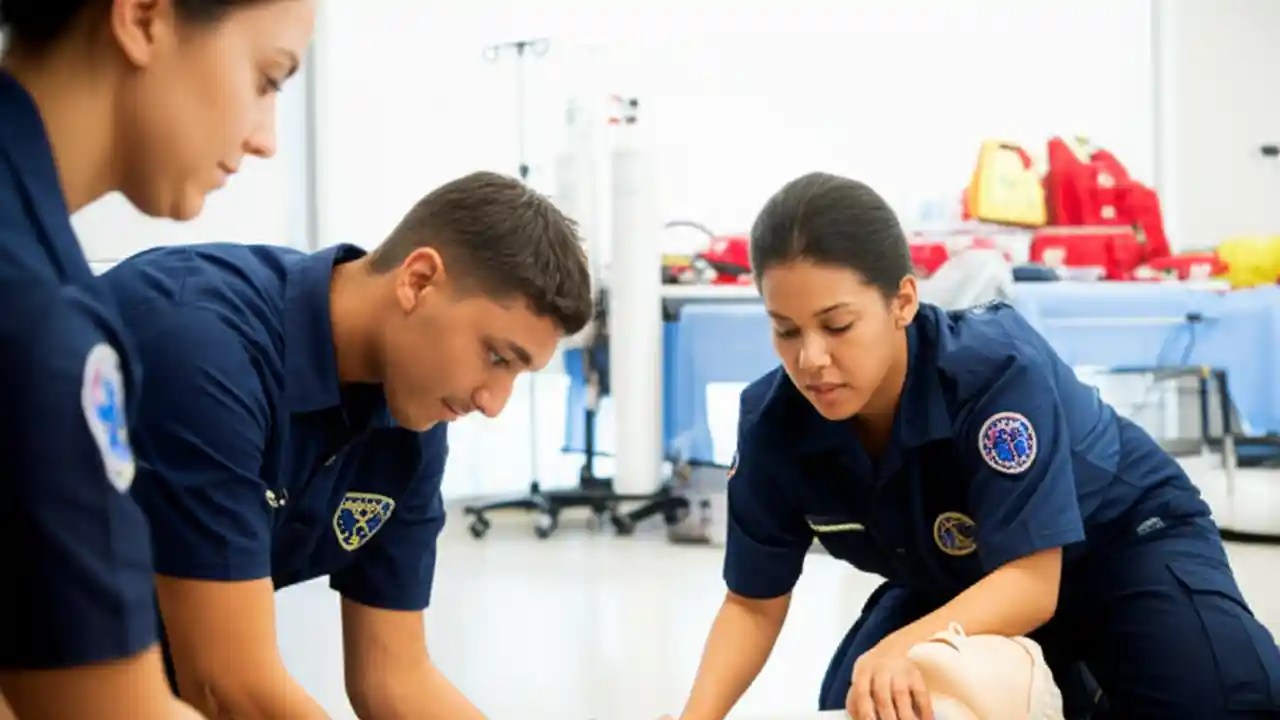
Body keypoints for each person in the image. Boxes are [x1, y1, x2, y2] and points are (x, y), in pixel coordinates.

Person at [673, 172, 1280, 720]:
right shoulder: (775, 423)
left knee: (1224, 704)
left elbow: (1033, 582)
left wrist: (899, 648)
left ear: (902, 301)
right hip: (966, 580)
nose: (811, 359)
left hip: (1119, 545)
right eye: (785, 330)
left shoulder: (992, 371)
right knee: (865, 705)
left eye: (837, 326)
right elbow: (753, 604)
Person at [97, 170, 594, 719]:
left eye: (519, 374)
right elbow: (228, 686)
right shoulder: (202, 348)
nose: (494, 402)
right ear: (419, 280)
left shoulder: (412, 416)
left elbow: (394, 679)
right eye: (497, 357)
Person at [0, 1, 314, 718]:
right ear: (143, 17)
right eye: (268, 79)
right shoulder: (40, 323)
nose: (266, 139)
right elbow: (109, 707)